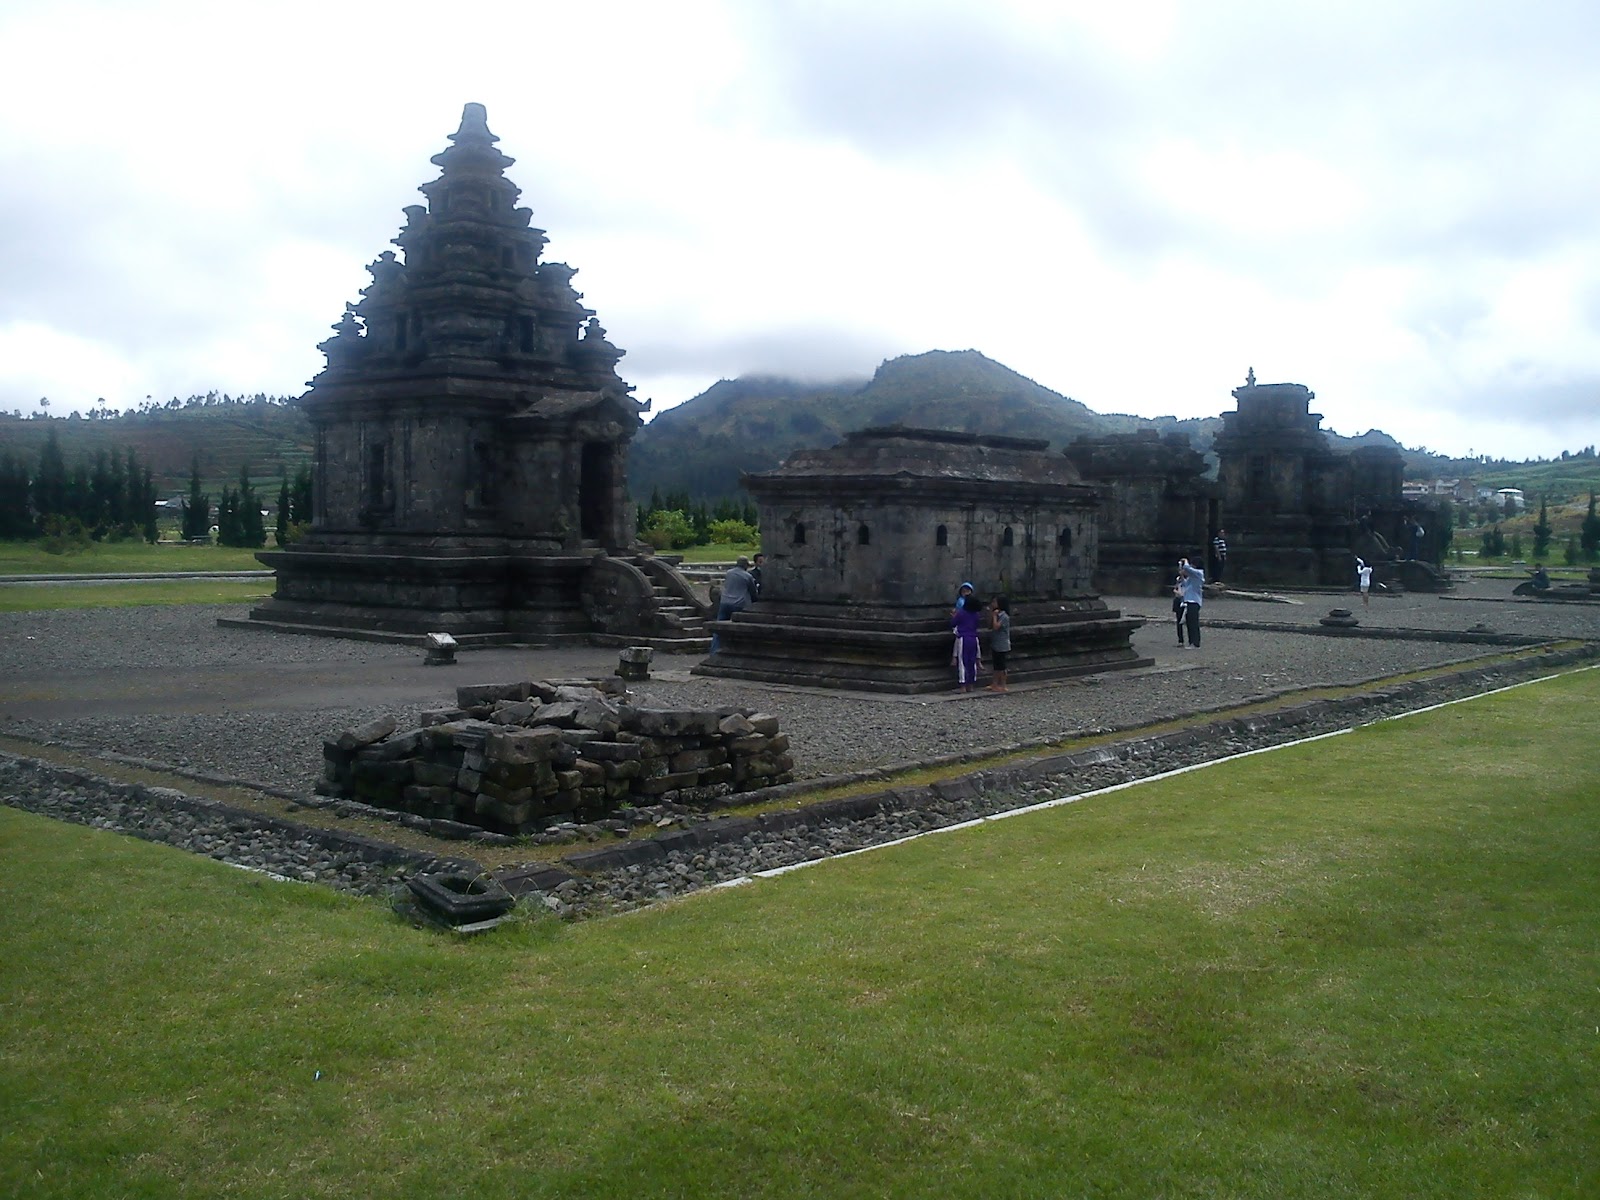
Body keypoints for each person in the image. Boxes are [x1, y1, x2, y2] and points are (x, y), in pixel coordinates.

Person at [710, 556, 756, 653]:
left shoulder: (729, 573)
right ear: (745, 565)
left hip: (725, 602)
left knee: (718, 629)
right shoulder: (747, 576)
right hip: (739, 604)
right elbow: (753, 592)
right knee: (738, 629)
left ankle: (714, 651)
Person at [951, 586, 983, 691]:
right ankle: (971, 684)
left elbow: (953, 623)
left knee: (962, 661)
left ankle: (963, 685)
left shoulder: (962, 613)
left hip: (963, 638)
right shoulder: (976, 615)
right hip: (974, 638)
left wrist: (953, 616)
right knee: (972, 661)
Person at [1177, 556, 1205, 649]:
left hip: (1194, 601)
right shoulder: (1192, 577)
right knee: (1189, 622)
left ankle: (1195, 643)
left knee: (1193, 623)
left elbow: (1187, 568)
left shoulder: (1198, 573)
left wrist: (1185, 562)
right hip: (1189, 600)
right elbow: (1186, 585)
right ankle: (1191, 642)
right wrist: (1181, 576)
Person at [986, 595, 1011, 692]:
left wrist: (994, 616)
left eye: (995, 602)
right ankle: (995, 683)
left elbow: (996, 626)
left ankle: (1003, 685)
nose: (993, 604)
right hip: (995, 643)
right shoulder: (997, 614)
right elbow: (989, 626)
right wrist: (990, 614)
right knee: (996, 665)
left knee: (1001, 666)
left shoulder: (1004, 616)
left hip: (1002, 644)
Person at [1172, 571, 1188, 645]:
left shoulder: (1189, 580)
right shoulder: (1178, 579)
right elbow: (1175, 588)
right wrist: (1178, 592)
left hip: (1186, 600)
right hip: (1178, 600)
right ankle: (1180, 640)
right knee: (1179, 621)